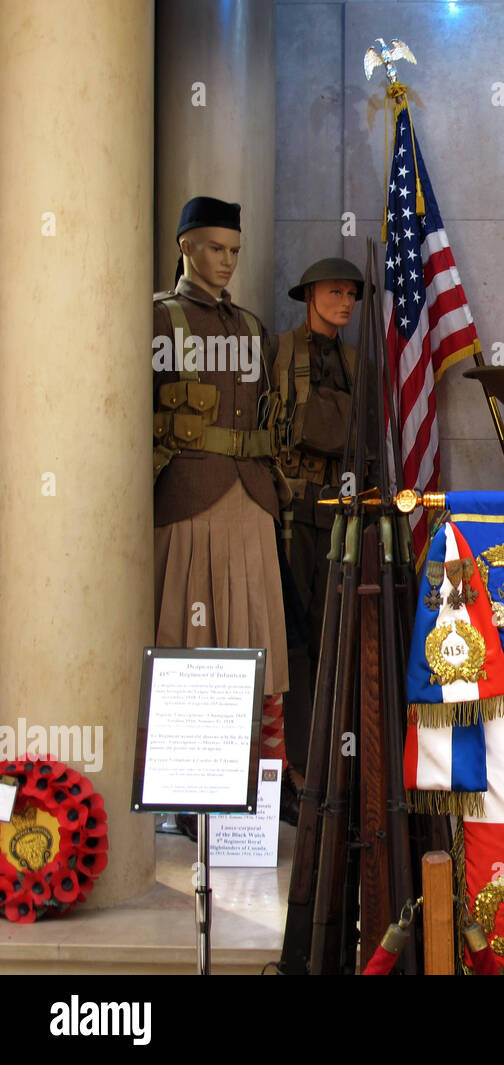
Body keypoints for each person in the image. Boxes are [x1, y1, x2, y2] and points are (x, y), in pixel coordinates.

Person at [153, 197, 290, 819]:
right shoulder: (161, 320)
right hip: (188, 499)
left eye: (234, 250)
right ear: (185, 246)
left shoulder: (253, 327)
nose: (227, 262)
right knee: (191, 643)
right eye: (214, 248)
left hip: (252, 499)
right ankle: (188, 793)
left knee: (255, 643)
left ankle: (254, 791)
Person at [267, 258, 362, 822]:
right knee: (293, 637)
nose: (346, 302)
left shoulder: (355, 362)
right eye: (335, 292)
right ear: (309, 296)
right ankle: (295, 767)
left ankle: (332, 769)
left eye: (351, 293)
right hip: (290, 508)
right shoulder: (281, 353)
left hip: (339, 511)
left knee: (334, 637)